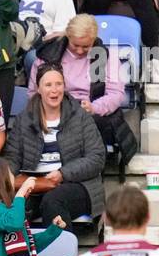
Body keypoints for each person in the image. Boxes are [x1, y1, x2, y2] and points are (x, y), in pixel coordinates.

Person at [5, 62, 107, 224]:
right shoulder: (24, 119)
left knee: (53, 201)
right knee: (11, 205)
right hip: (35, 185)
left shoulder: (80, 116)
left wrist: (62, 174)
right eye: (48, 85)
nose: (54, 90)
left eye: (58, 84)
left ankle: (61, 249)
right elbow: (13, 157)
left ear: (64, 87)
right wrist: (9, 176)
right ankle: (20, 249)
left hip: (77, 185)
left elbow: (97, 157)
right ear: (38, 89)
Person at [28, 13, 129, 153]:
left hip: (92, 112)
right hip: (55, 109)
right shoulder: (48, 56)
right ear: (68, 36)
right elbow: (34, 92)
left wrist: (94, 107)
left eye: (86, 46)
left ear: (94, 40)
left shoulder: (108, 57)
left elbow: (116, 94)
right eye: (75, 45)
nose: (80, 51)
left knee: (83, 125)